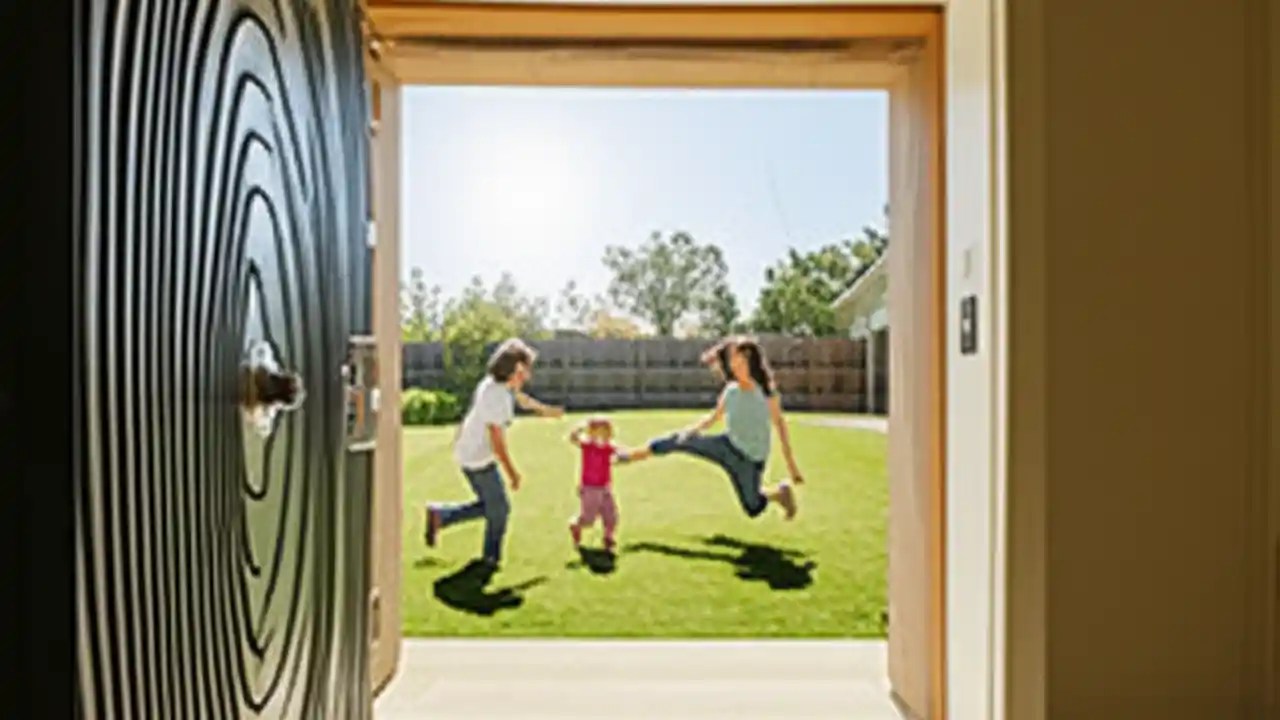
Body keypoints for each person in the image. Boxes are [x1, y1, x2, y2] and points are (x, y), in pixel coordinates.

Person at [624, 336, 804, 520]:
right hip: (726, 446)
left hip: (750, 459)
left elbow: (779, 425)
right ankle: (632, 455)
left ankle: (781, 493)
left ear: (752, 363)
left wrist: (792, 466)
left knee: (753, 508)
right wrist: (692, 430)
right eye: (734, 363)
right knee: (680, 440)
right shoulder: (731, 391)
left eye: (742, 363)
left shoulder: (766, 393)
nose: (737, 367)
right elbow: (714, 417)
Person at [423, 338, 564, 569]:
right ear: (516, 368)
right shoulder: (496, 396)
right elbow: (498, 442)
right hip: (477, 457)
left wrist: (545, 411)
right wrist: (513, 474)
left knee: (491, 506)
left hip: (469, 451)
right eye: (526, 366)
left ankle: (441, 516)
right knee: (499, 509)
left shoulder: (494, 384)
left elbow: (520, 397)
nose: (529, 372)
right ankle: (490, 558)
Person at [567, 416, 631, 554]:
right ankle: (576, 525)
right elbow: (572, 438)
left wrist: (623, 456)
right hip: (590, 488)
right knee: (589, 519)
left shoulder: (609, 447)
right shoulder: (587, 445)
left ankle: (608, 538)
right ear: (592, 432)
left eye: (606, 431)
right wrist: (579, 427)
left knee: (611, 516)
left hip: (605, 487)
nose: (604, 434)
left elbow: (622, 452)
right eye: (600, 430)